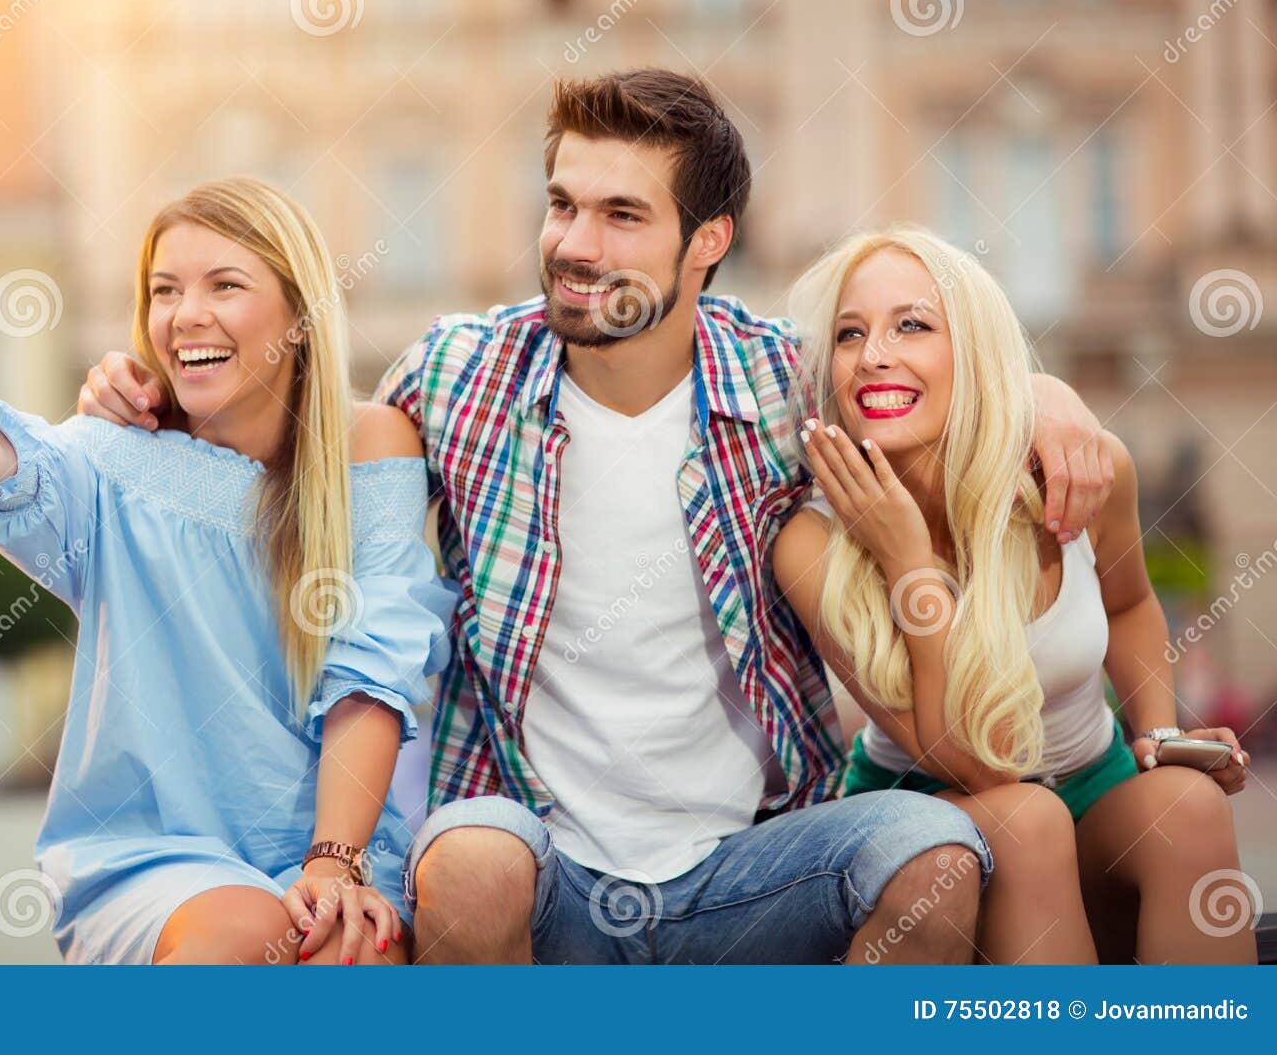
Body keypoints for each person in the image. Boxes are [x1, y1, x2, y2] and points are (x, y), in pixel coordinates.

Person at [76, 69, 1116, 964]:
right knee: (468, 856)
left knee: (930, 857)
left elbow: (919, 377)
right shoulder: (457, 372)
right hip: (543, 858)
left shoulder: (779, 380)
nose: (575, 243)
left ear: (706, 239)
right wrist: (159, 382)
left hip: (748, 859)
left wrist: (1042, 396)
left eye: (621, 216)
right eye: (561, 204)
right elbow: (299, 438)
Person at [0, 177, 455, 966]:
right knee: (245, 933)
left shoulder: (369, 448)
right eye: (165, 290)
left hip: (339, 842)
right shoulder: (116, 459)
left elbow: (372, 674)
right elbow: (5, 464)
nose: (185, 313)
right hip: (155, 855)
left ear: (299, 317)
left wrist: (333, 863)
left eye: (224, 285)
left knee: (355, 953)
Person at [772, 225, 1254, 964]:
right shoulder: (812, 545)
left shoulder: (1079, 471)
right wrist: (906, 561)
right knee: (1027, 817)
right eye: (849, 334)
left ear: (974, 351)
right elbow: (972, 762)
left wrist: (1156, 735)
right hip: (936, 810)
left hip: (1093, 788)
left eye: (912, 325)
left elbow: (1128, 604)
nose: (874, 354)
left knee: (1187, 808)